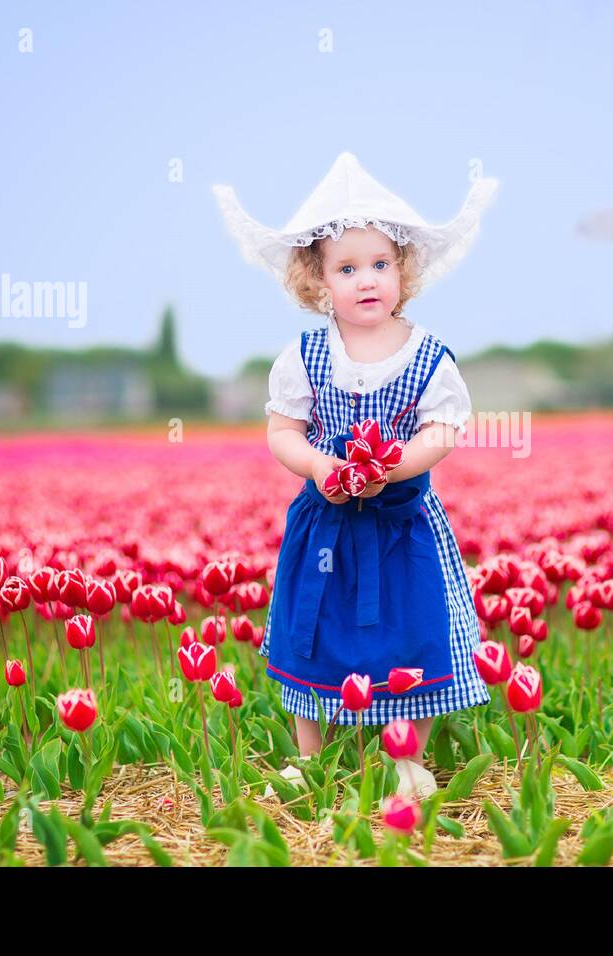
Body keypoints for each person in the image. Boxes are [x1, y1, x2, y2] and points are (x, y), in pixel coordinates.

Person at [213, 152, 498, 798]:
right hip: (327, 526)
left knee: (412, 627)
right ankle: (311, 753)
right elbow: (282, 431)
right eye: (347, 268)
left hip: (403, 525)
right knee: (311, 627)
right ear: (317, 280)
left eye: (380, 264)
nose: (366, 279)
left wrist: (396, 462)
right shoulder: (306, 356)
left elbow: (444, 430)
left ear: (403, 269)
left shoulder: (427, 354)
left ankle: (409, 758)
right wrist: (318, 465)